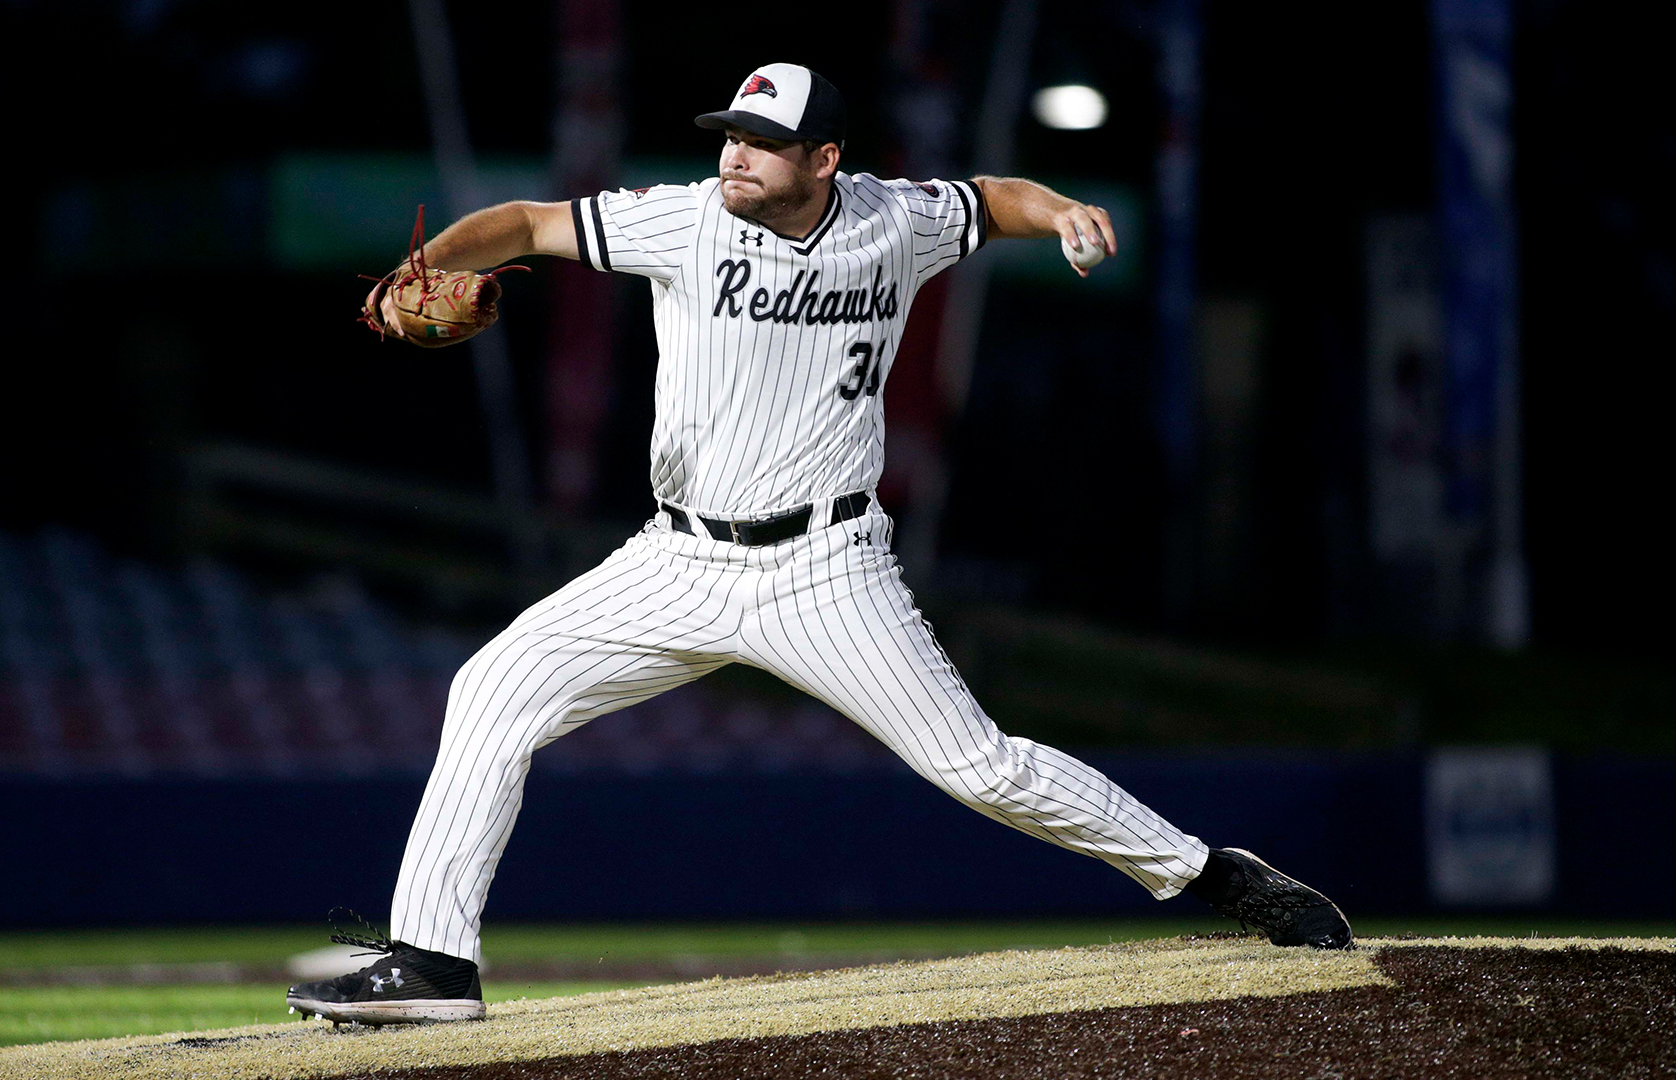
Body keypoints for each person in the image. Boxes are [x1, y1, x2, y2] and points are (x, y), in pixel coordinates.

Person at [288, 62, 1351, 1027]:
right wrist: (414, 269)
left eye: (759, 139)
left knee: (980, 768)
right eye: (728, 133)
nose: (732, 154)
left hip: (825, 569)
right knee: (490, 692)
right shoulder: (684, 221)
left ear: (825, 159)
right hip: (678, 561)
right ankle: (433, 964)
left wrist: (1063, 207)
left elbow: (994, 200)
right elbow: (523, 221)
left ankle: (1214, 875)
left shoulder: (893, 219)